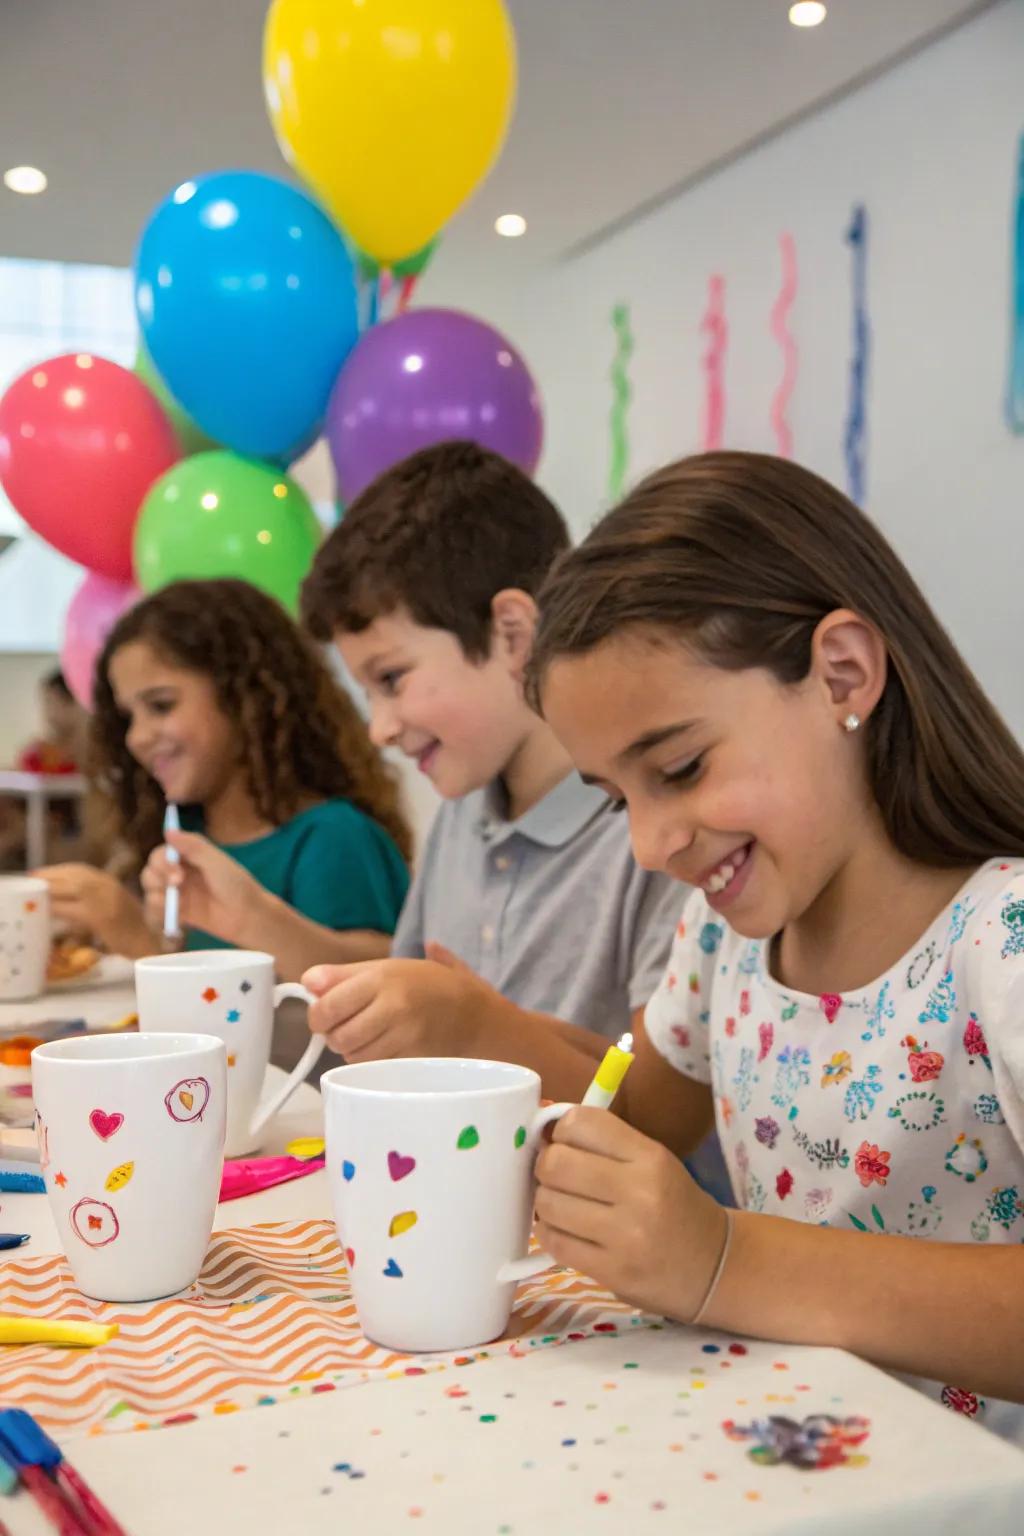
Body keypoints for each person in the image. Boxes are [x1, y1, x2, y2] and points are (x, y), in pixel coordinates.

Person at [522, 450, 1024, 1441]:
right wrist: (473, 1045)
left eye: (678, 767)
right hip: (790, 1464)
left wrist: (722, 1260)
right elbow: (640, 1107)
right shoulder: (725, 934)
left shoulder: (1000, 945)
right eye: (617, 797)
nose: (650, 843)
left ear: (842, 671)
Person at [298, 440, 691, 1097]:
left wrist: (473, 1027)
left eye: (391, 678)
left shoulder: (654, 831)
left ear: (513, 633)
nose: (380, 726)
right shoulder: (461, 816)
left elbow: (659, 1112)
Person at [38, 579, 410, 974]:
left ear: (245, 698)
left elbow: (382, 978)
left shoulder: (333, 837)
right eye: (128, 717)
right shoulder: (185, 836)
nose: (138, 738)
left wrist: (138, 938)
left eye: (161, 705)